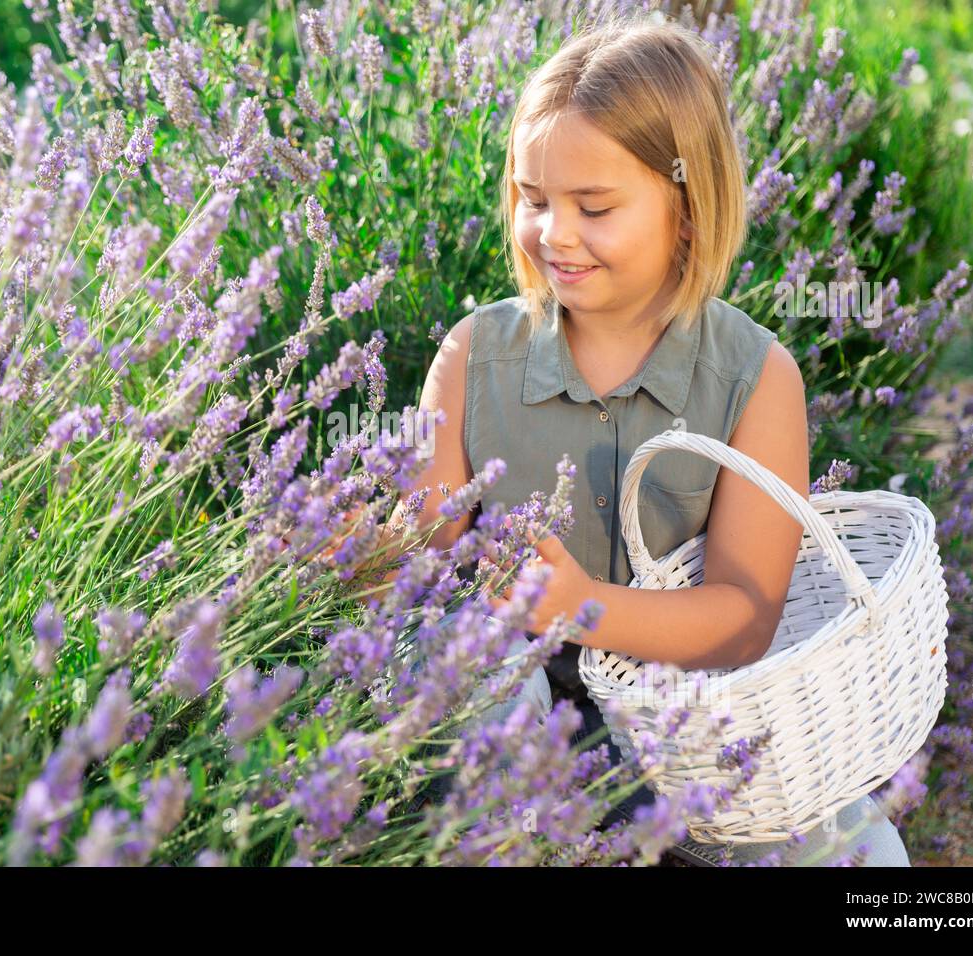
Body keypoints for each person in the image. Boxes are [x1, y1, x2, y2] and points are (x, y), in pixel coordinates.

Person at [297, 14, 909, 867]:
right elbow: (424, 550)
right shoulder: (474, 356)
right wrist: (356, 559)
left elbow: (745, 617)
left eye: (595, 206)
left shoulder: (757, 378)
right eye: (533, 199)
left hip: (693, 734)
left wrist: (584, 607)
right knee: (470, 674)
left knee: (871, 858)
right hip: (520, 735)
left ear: (688, 211)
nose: (555, 233)